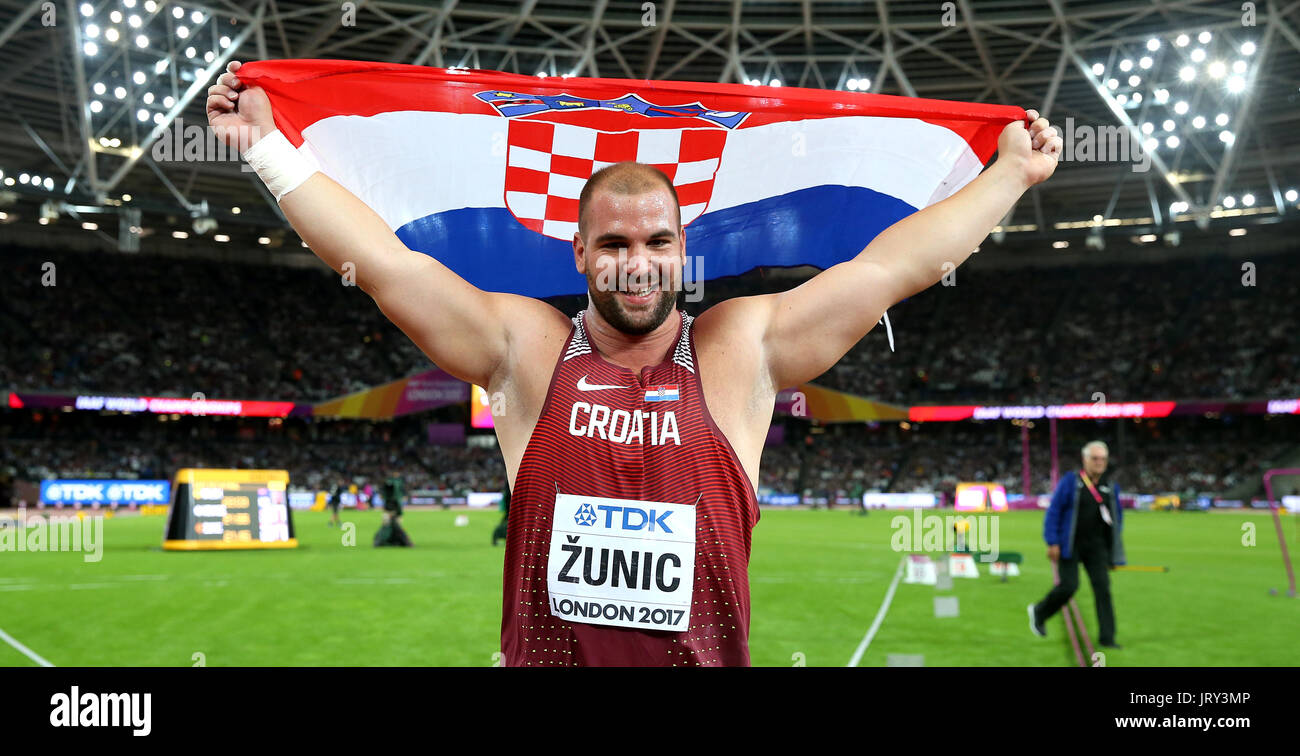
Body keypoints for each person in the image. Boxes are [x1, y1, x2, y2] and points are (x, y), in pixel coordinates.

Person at [208, 60, 1062, 666]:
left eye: (656, 240)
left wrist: (1010, 177)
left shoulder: (737, 350)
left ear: (681, 247)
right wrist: (265, 149)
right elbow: (390, 268)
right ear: (579, 253)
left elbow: (890, 268)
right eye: (612, 242)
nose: (636, 260)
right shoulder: (527, 353)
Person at [1028, 440, 1127, 648]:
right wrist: (1052, 542)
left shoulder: (1110, 486)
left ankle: (1107, 638)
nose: (1099, 463)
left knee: (1103, 589)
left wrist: (1113, 552)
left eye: (1102, 459)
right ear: (1085, 460)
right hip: (1070, 544)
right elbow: (1054, 512)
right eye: (1095, 458)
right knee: (1069, 586)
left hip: (1097, 547)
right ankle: (1040, 611)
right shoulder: (1071, 482)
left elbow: (1117, 519)